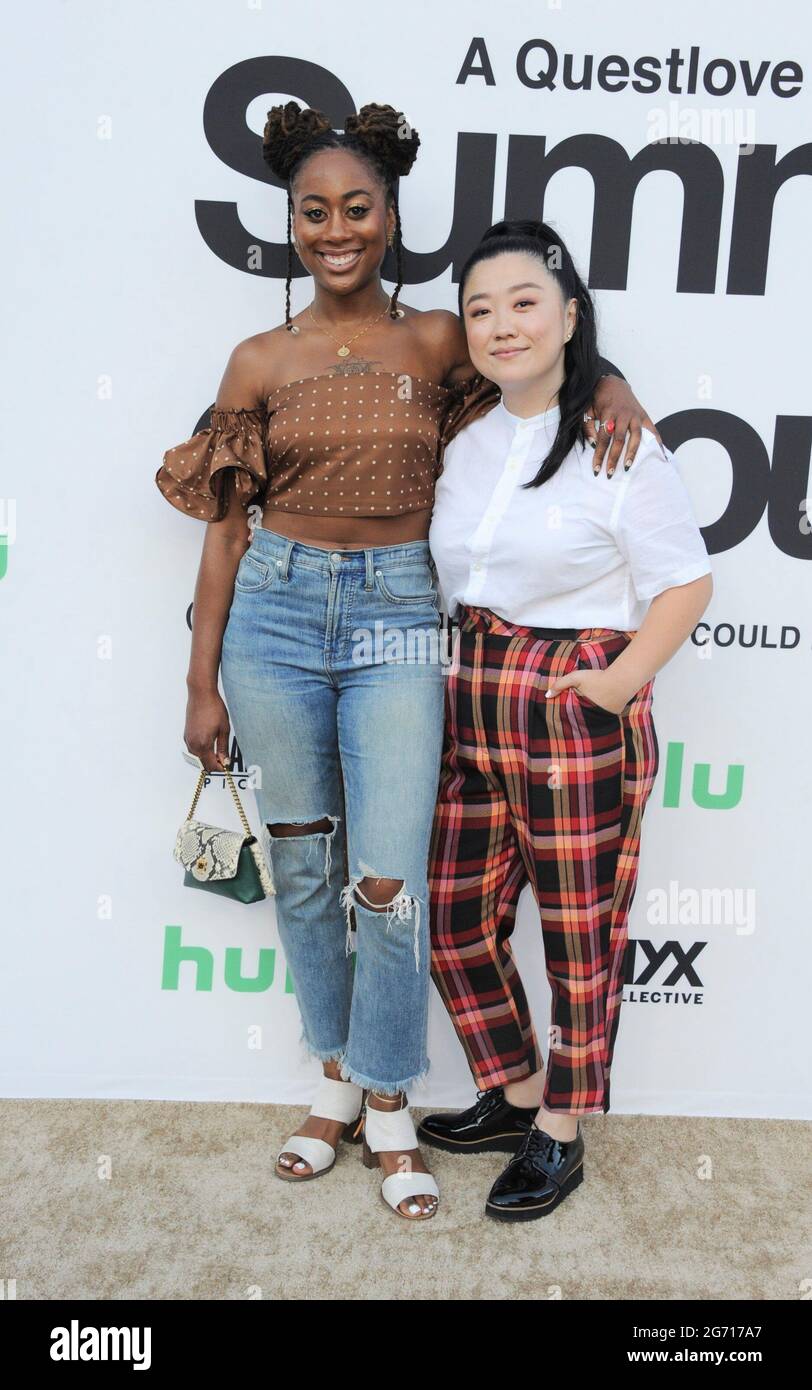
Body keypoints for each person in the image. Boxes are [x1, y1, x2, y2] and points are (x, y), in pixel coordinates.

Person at [155, 102, 658, 1221]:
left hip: (395, 621)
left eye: (357, 208)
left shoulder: (436, 338)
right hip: (273, 620)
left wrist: (607, 379)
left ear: (391, 219)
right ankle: (334, 1086)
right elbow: (226, 528)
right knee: (298, 868)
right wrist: (201, 679)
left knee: (386, 882)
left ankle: (391, 1098)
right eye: (313, 211)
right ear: (291, 221)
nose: (335, 228)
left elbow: (536, 376)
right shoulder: (255, 358)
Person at [420, 219, 713, 1222]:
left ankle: (560, 1131)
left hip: (569, 698)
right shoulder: (464, 434)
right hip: (468, 693)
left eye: (523, 303)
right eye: (480, 309)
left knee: (578, 929)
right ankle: (511, 1092)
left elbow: (683, 580)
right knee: (454, 917)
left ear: (568, 315)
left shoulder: (615, 438)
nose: (500, 325)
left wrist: (615, 682)